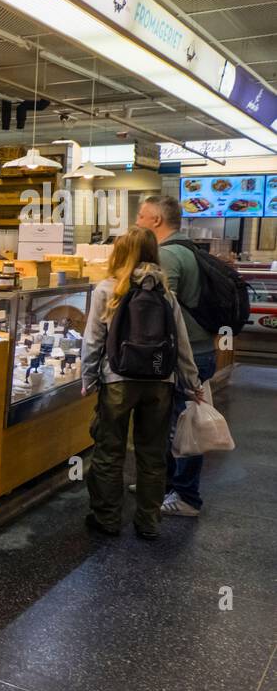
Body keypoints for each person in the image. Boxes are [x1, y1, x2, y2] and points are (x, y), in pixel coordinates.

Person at [81, 226, 203, 541]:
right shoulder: (165, 293)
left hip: (118, 381)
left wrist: (88, 377)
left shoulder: (107, 289)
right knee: (152, 454)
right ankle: (148, 521)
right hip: (160, 381)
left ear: (120, 253)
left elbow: (93, 340)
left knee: (110, 451)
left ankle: (107, 517)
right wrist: (192, 381)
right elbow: (181, 343)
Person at [135, 195, 215, 518]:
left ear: (156, 220)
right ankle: (166, 484)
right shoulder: (189, 249)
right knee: (179, 421)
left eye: (141, 215)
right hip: (202, 348)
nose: (137, 221)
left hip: (189, 353)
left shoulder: (166, 255)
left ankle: (186, 496)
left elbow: (162, 311)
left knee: (185, 425)